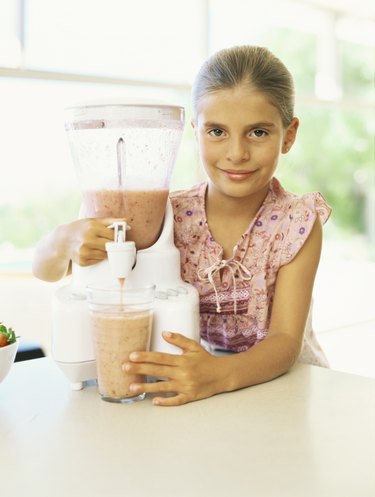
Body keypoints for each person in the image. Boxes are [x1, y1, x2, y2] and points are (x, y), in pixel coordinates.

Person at [33, 45, 331, 407]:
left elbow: (285, 342)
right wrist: (61, 241)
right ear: (195, 131)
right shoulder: (167, 212)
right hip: (201, 383)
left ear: (289, 134)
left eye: (258, 133)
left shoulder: (298, 221)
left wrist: (217, 376)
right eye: (217, 132)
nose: (236, 153)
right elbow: (47, 271)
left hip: (287, 389)